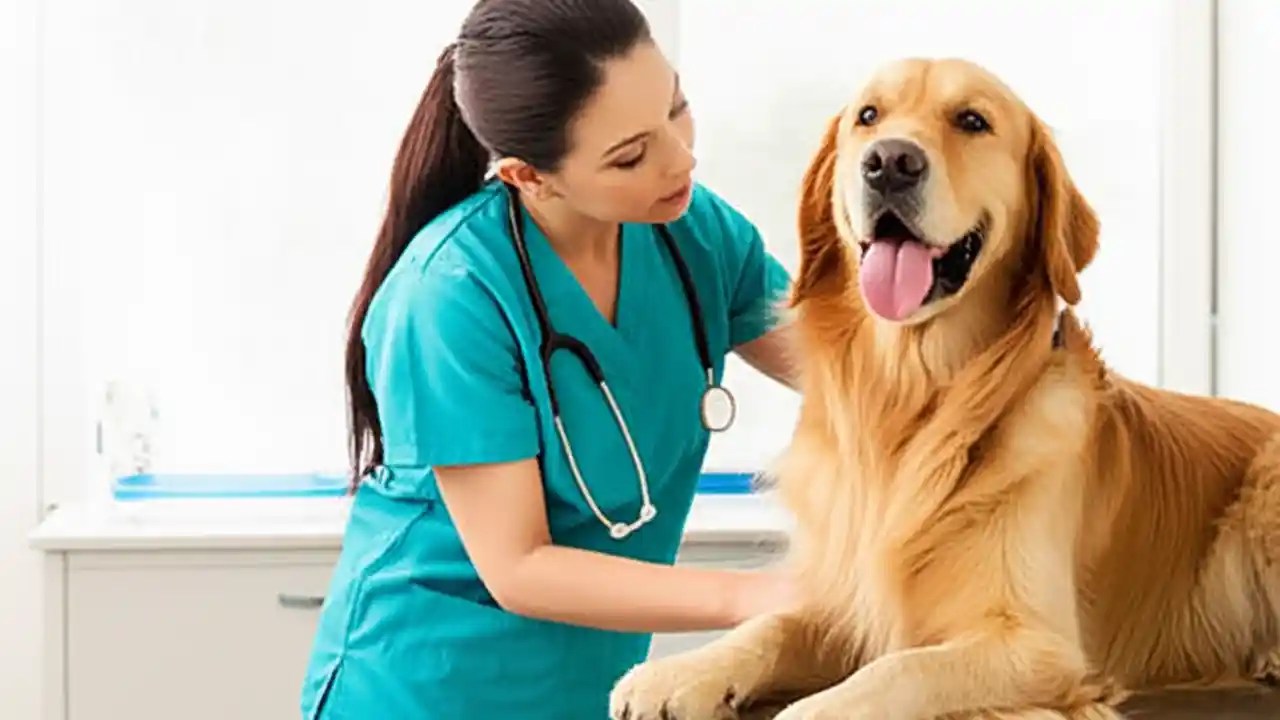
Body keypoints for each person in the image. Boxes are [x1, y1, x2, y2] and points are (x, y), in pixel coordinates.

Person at [300, 0, 798, 717]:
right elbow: (519, 567)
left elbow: (863, 378)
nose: (680, 156)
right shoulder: (451, 294)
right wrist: (760, 596)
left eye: (676, 107)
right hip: (425, 687)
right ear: (529, 176)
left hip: (580, 689)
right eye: (630, 154)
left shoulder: (696, 234)